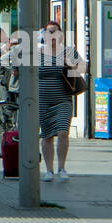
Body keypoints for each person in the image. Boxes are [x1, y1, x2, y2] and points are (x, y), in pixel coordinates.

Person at [39, 20, 86, 182]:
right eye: (49, 32)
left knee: (63, 132)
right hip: (43, 100)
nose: (52, 35)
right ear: (44, 35)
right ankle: (49, 170)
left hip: (63, 100)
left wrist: (71, 65)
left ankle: (61, 168)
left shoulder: (68, 51)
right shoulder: (37, 54)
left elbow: (83, 68)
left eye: (55, 31)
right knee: (47, 136)